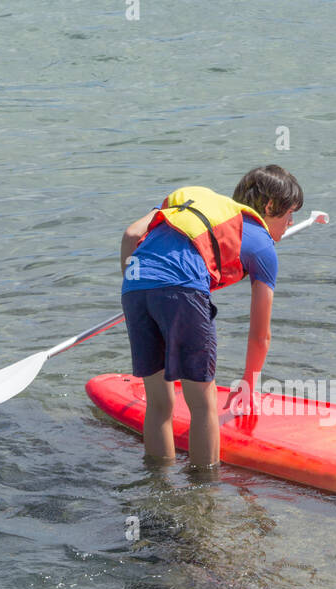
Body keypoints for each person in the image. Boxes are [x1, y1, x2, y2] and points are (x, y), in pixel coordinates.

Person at [118, 165, 303, 468]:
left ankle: (156, 488)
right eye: (289, 215)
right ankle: (204, 499)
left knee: (159, 404)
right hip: (181, 290)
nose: (291, 223)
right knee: (203, 406)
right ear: (269, 207)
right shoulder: (263, 248)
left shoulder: (192, 203)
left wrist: (141, 287)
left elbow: (132, 234)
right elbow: (261, 335)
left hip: (135, 286)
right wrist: (247, 385)